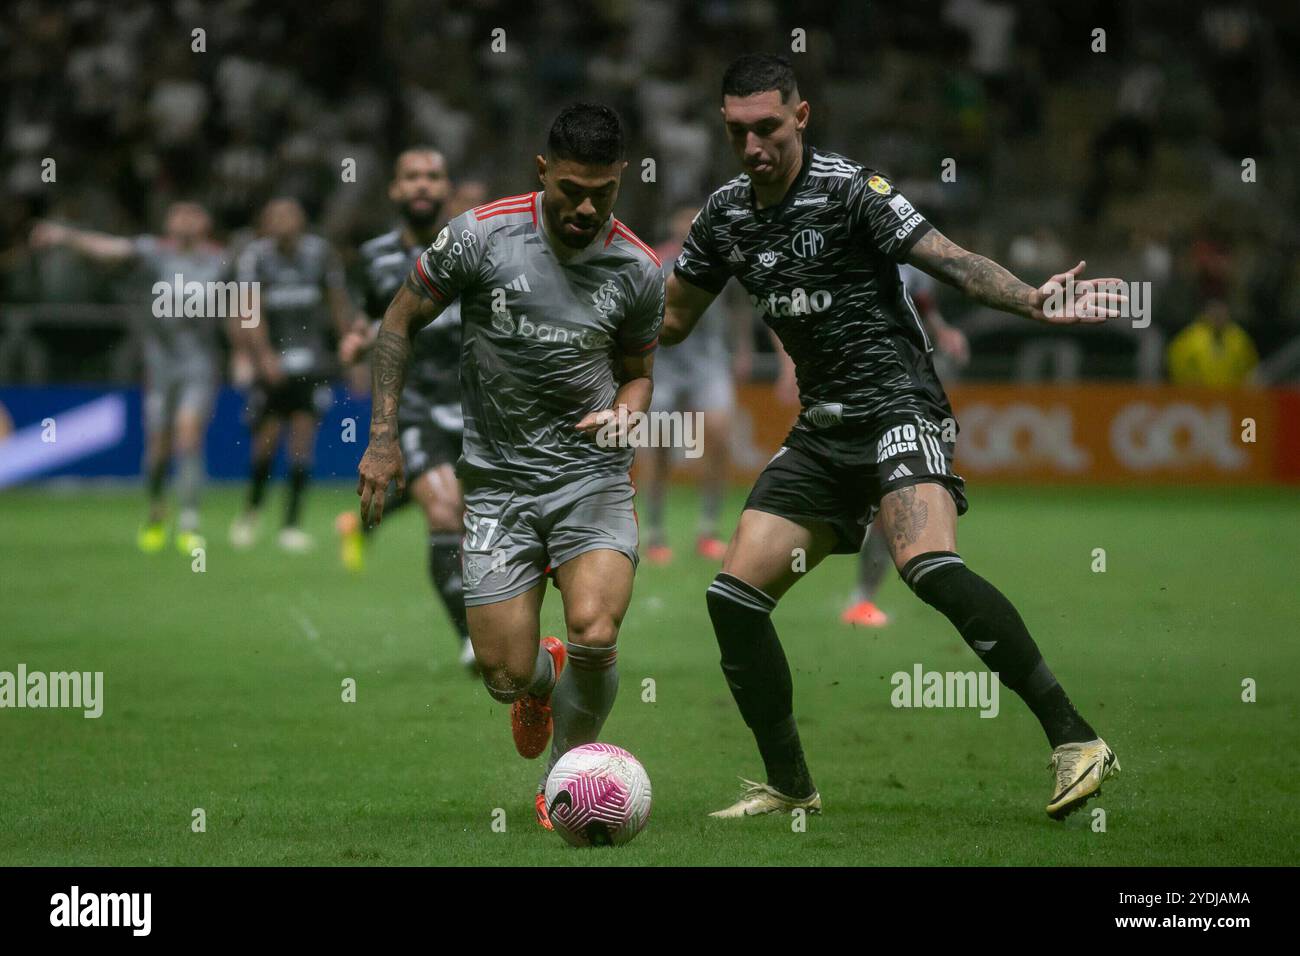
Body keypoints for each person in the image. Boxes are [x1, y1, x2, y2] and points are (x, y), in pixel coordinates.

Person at [662, 54, 1124, 821]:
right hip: (821, 431)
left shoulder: (851, 191)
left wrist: (1031, 301)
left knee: (928, 565)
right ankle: (790, 786)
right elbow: (672, 321)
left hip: (900, 408)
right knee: (733, 599)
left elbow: (952, 262)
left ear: (799, 117)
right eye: (738, 132)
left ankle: (1076, 739)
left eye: (768, 128)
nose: (753, 148)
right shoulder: (724, 217)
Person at [355, 104, 663, 829]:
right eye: (571, 190)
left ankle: (569, 776)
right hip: (496, 486)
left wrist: (631, 407)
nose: (586, 208)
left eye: (603, 193)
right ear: (542, 173)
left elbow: (638, 370)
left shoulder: (640, 269)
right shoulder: (480, 236)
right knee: (502, 674)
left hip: (590, 479)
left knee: (597, 630)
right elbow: (398, 319)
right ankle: (539, 678)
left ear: (621, 181)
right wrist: (381, 438)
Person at [337, 147, 476, 670]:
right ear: (395, 190)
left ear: (445, 188)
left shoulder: (475, 244)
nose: (422, 185)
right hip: (415, 403)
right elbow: (368, 316)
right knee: (443, 509)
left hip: (478, 405)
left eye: (432, 177)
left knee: (485, 522)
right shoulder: (373, 257)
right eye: (411, 176)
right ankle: (469, 638)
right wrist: (355, 341)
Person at [29, 203, 226, 553]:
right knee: (158, 450)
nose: (185, 220)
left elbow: (246, 304)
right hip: (159, 366)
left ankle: (189, 521)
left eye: (193, 215)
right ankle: (155, 509)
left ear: (206, 223)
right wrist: (66, 237)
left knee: (189, 435)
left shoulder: (219, 262)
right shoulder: (153, 253)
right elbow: (108, 249)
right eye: (179, 214)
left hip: (198, 365)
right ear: (168, 223)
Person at [842, 263, 969, 628]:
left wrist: (945, 333)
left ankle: (862, 598)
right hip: (855, 390)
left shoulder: (912, 263)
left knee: (891, 503)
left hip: (901, 397)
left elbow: (926, 310)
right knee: (864, 501)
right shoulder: (842, 246)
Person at [229, 198, 353, 552]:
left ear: (302, 221)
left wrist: (350, 349)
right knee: (266, 441)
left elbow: (338, 301)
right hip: (272, 363)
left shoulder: (320, 254)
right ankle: (250, 516)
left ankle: (291, 526)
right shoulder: (256, 256)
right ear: (266, 222)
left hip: (311, 363)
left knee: (302, 440)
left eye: (290, 215)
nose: (284, 222)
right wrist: (263, 356)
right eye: (276, 216)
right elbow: (248, 308)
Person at [640, 204, 750, 565]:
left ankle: (708, 529)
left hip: (708, 360)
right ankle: (654, 532)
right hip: (666, 361)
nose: (688, 226)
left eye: (695, 220)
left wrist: (742, 349)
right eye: (682, 220)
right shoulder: (657, 261)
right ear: (673, 225)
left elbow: (739, 307)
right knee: (658, 445)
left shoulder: (724, 259)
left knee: (717, 434)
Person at [1166, 299, 1258, 387]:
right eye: (1214, 313)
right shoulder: (1188, 338)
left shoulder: (1239, 338)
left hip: (1232, 396)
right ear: (1204, 314)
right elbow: (1176, 366)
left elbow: (1250, 368)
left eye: (1221, 313)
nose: (1217, 317)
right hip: (1198, 396)